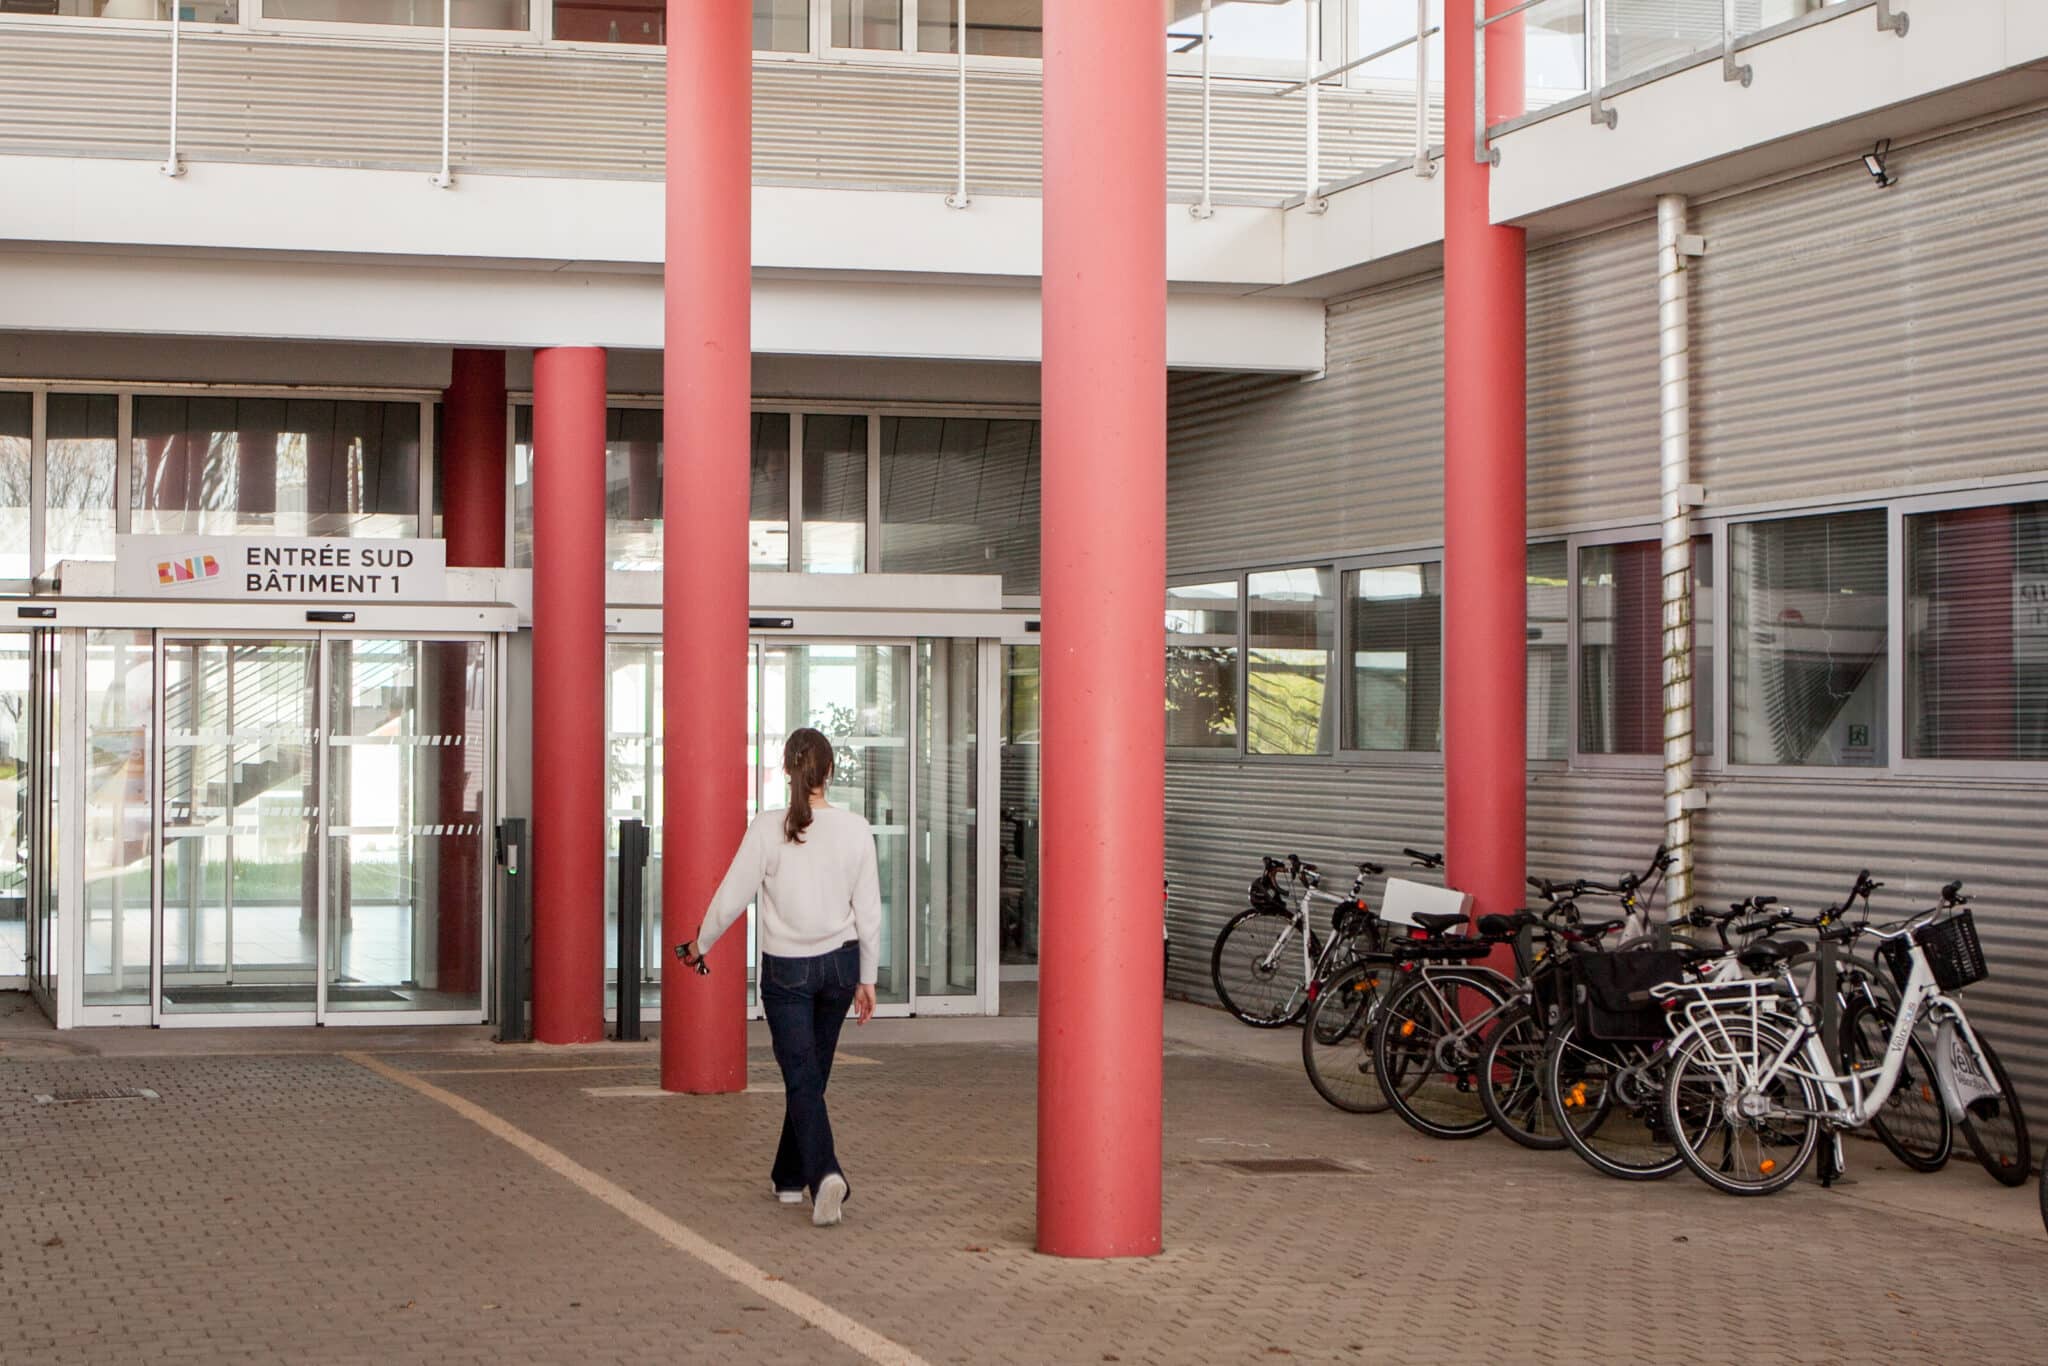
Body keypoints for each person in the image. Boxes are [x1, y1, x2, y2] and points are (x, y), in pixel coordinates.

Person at [678, 727, 880, 1227]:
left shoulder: (768, 827)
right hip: (841, 966)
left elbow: (733, 894)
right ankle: (790, 1178)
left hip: (788, 972)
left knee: (802, 1079)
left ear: (787, 772)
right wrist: (868, 978)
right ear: (830, 772)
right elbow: (869, 912)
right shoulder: (856, 828)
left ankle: (825, 1172)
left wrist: (699, 944)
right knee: (808, 1078)